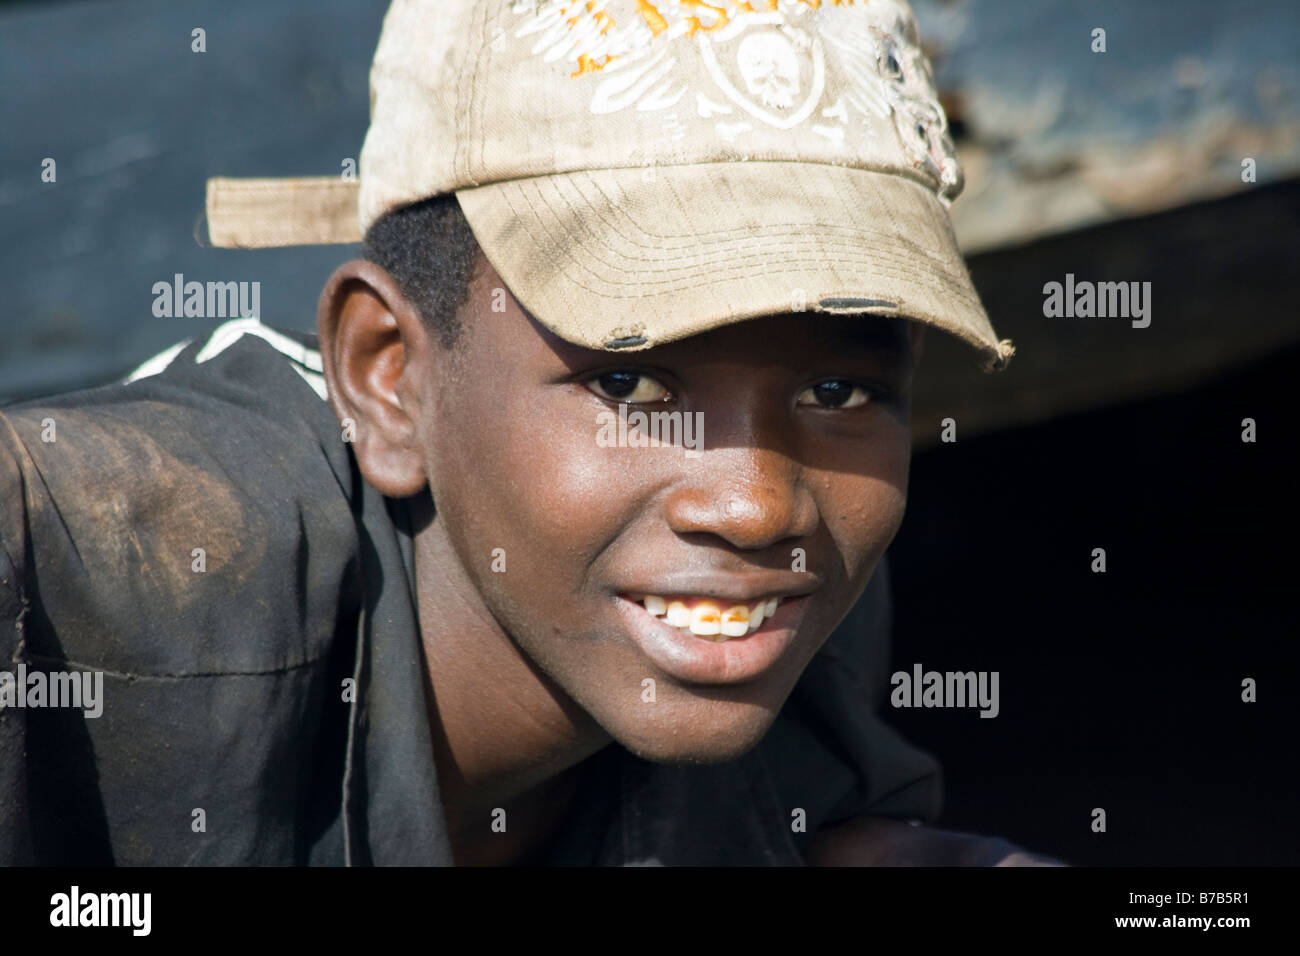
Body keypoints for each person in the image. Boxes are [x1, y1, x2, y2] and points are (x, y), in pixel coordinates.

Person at [0, 0, 1053, 866]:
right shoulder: (103, 577)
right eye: (630, 379)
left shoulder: (780, 604)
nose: (754, 504)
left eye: (836, 388)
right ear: (388, 375)